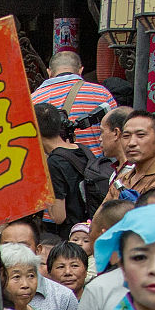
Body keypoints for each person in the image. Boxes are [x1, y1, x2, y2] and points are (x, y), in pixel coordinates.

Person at [1, 219, 78, 310]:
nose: (16, 252)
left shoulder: (62, 297)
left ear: (38, 250)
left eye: (23, 246)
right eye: (7, 246)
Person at [30, 50, 117, 156]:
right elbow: (115, 133)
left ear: (49, 72)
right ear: (80, 70)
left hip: (54, 168)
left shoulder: (33, 99)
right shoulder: (101, 93)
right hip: (95, 167)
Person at [36, 102, 97, 237]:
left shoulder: (54, 162)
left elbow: (58, 216)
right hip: (91, 230)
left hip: (73, 236)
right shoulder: (83, 149)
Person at [109, 111, 155, 201]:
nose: (131, 143)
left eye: (140, 135)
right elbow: (101, 214)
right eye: (126, 136)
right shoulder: (122, 179)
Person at [97, 105, 134, 170]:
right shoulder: (117, 170)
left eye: (102, 131)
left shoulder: (135, 174)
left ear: (116, 133)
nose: (100, 139)